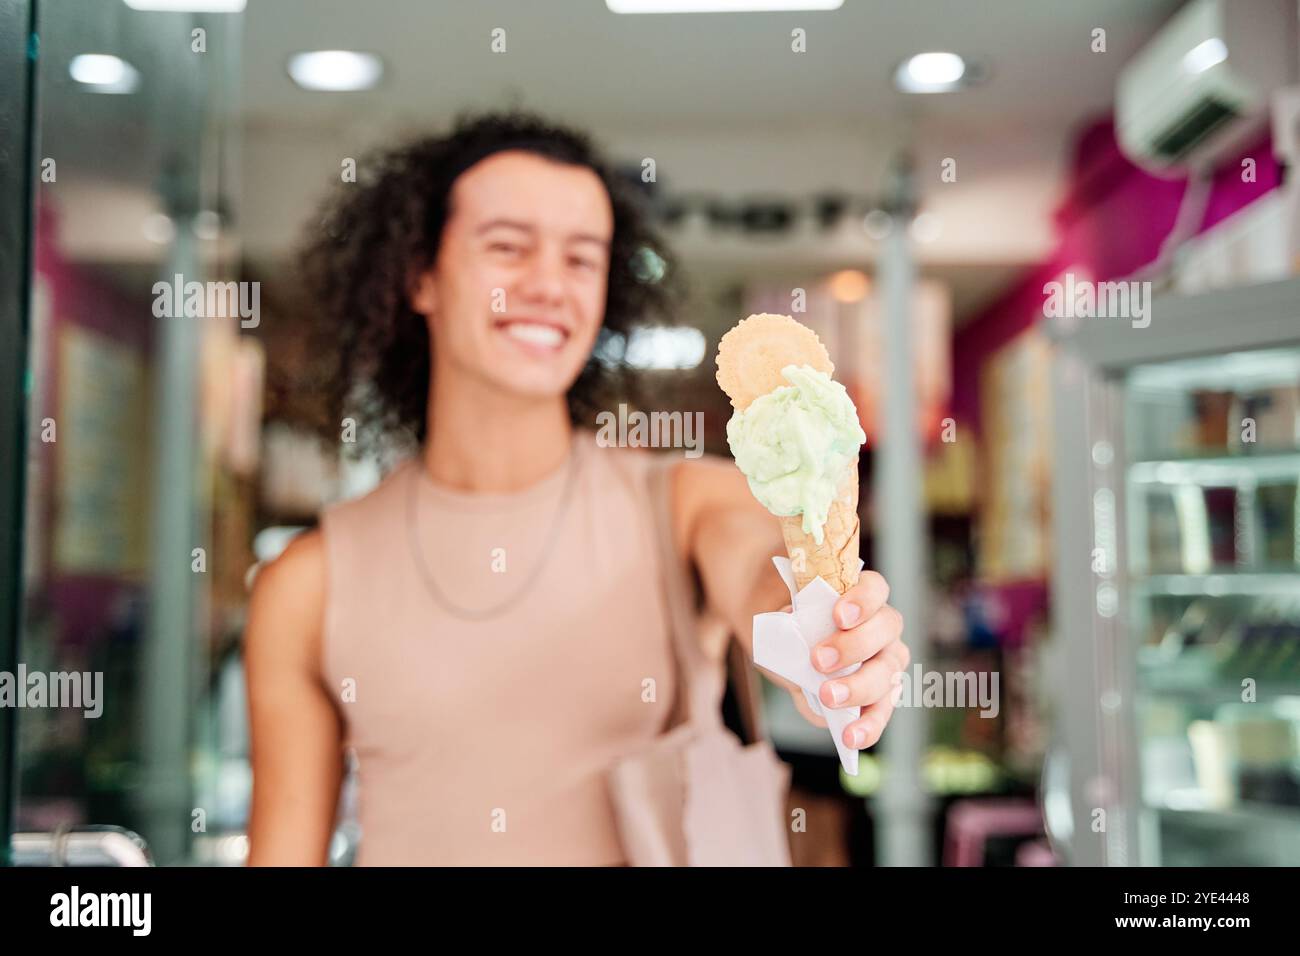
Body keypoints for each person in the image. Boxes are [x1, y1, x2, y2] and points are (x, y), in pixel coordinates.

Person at [244, 111, 908, 866]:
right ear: (418, 276)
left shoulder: (684, 502)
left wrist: (826, 640)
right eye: (507, 247)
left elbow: (760, 575)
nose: (549, 286)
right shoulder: (306, 583)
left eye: (582, 259)